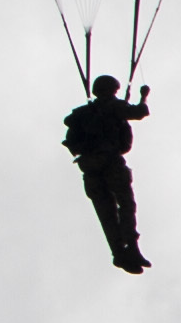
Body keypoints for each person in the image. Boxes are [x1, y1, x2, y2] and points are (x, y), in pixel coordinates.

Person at [61, 74, 153, 275]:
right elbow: (139, 112)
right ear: (111, 90)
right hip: (110, 164)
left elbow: (71, 142)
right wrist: (143, 95)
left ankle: (119, 253)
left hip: (90, 169)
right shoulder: (112, 107)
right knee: (126, 205)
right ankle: (132, 247)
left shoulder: (81, 114)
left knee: (106, 213)